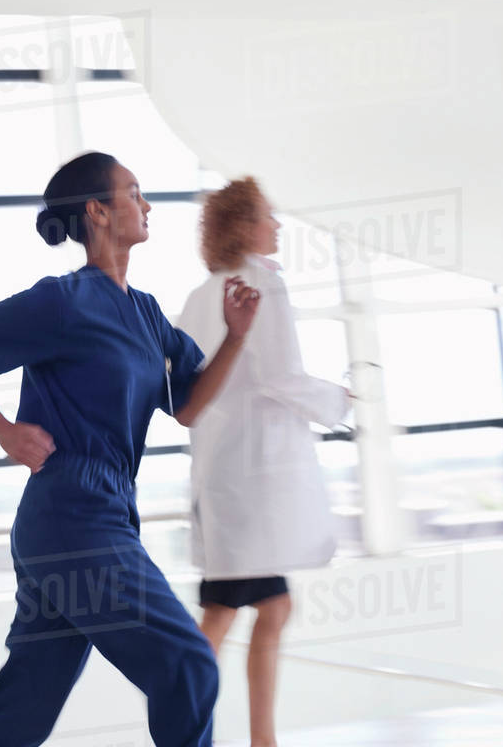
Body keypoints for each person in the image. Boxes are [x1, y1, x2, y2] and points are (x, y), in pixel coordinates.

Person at [0, 152, 261, 747]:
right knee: (187, 662)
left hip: (99, 515)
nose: (147, 204)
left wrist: (235, 340)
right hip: (71, 512)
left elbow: (186, 406)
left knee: (24, 703)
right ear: (98, 212)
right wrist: (3, 429)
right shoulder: (64, 300)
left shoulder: (145, 312)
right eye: (133, 193)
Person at [177, 177, 350, 747]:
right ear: (243, 226)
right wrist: (341, 400)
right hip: (251, 484)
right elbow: (280, 375)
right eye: (268, 217)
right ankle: (215, 733)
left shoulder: (203, 293)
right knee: (238, 612)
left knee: (257, 607)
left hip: (223, 477)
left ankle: (254, 737)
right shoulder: (261, 285)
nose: (277, 226)